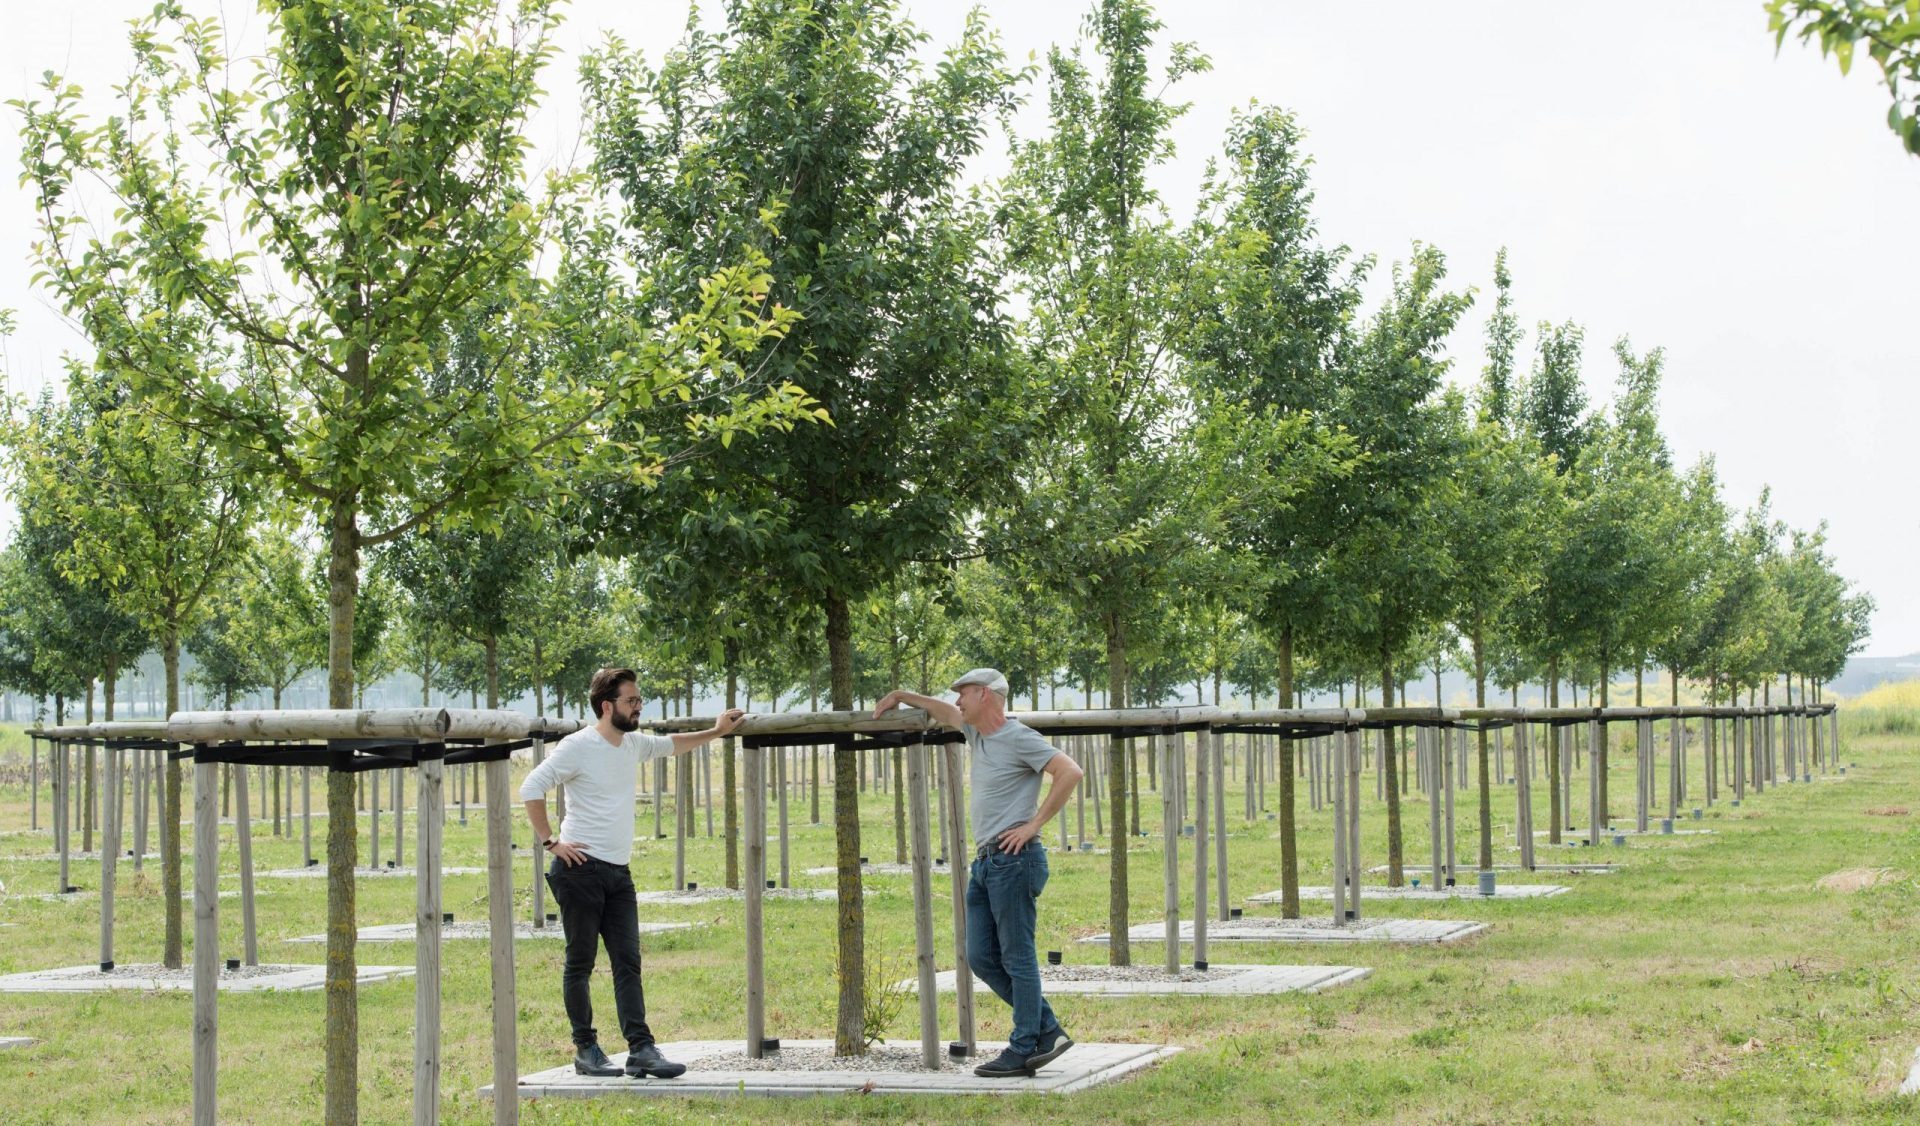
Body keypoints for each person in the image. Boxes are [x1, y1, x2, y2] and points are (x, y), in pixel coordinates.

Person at [521, 666, 745, 1079]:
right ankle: (585, 1049)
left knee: (628, 962)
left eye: (640, 700)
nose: (638, 707)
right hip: (580, 871)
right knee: (581, 962)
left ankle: (641, 1049)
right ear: (608, 706)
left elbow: (673, 745)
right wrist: (551, 842)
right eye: (632, 701)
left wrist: (716, 732)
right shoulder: (577, 746)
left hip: (619, 874)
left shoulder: (632, 744)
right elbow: (531, 788)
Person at [872, 668, 1084, 1078]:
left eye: (963, 694)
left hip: (1014, 861)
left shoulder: (1018, 736)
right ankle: (1047, 1030)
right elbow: (940, 711)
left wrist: (1033, 825)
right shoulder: (977, 735)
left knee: (1018, 958)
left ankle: (1025, 1046)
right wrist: (902, 694)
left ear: (985, 694)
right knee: (981, 956)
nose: (957, 702)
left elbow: (1070, 772)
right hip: (986, 863)